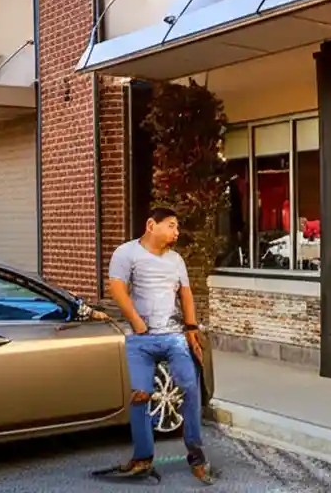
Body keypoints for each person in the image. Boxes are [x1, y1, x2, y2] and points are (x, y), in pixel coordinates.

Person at [106, 207, 211, 483]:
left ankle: (196, 454)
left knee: (189, 386)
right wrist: (137, 323)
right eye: (172, 226)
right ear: (151, 225)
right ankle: (142, 457)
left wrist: (191, 330)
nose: (176, 232)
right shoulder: (126, 253)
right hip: (140, 339)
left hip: (173, 336)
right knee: (141, 394)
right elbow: (116, 287)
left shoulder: (176, 260)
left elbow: (186, 295)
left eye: (177, 227)